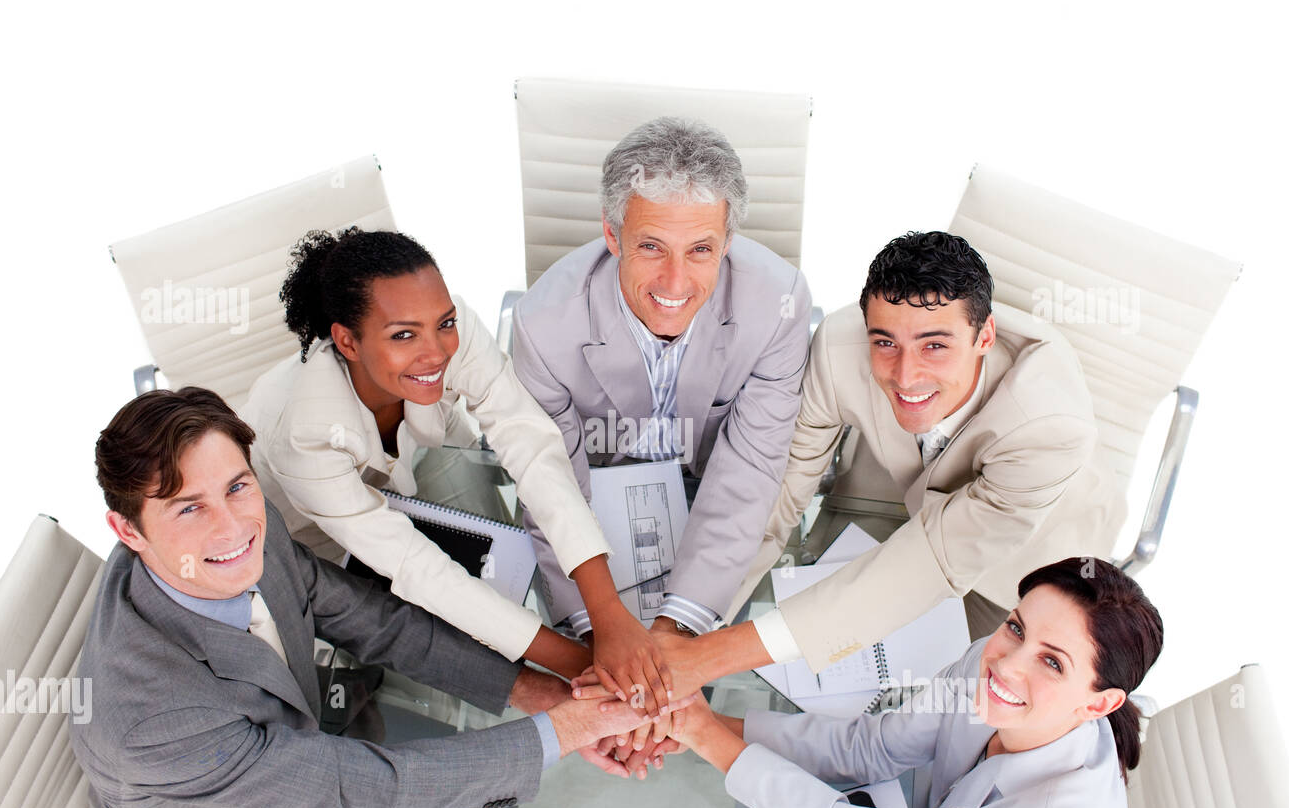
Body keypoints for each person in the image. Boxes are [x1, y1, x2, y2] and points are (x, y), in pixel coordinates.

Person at [70, 388, 683, 808]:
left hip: (310, 753)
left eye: (236, 486)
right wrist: (568, 730)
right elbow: (356, 789)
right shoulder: (146, 721)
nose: (234, 526)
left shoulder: (249, 528)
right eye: (188, 507)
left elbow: (375, 622)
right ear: (128, 532)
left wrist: (541, 695)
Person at [242, 228, 674, 714]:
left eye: (442, 323)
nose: (437, 352)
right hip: (323, 541)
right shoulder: (301, 431)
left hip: (420, 464)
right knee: (437, 660)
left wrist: (608, 613)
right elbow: (416, 568)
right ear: (347, 340)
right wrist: (583, 662)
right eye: (403, 334)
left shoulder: (452, 331)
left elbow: (529, 445)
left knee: (506, 573)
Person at [512, 116, 812, 706]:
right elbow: (551, 488)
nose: (676, 280)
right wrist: (601, 641)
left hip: (713, 499)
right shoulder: (542, 323)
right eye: (651, 246)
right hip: (596, 508)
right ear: (612, 235)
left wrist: (672, 644)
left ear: (727, 243)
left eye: (701, 249)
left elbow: (746, 475)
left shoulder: (778, 304)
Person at [725, 230, 1125, 673]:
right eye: (885, 344)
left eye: (934, 345)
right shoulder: (841, 348)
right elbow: (778, 497)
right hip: (911, 506)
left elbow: (929, 562)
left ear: (985, 337)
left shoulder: (1050, 424)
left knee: (945, 698)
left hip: (1028, 567)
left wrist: (708, 659)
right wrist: (697, 622)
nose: (906, 374)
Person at [661, 557, 1163, 808]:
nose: (1007, 664)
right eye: (1015, 627)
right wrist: (700, 722)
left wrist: (707, 738)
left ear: (1099, 705)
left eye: (1052, 662)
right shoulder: (987, 668)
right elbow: (871, 749)